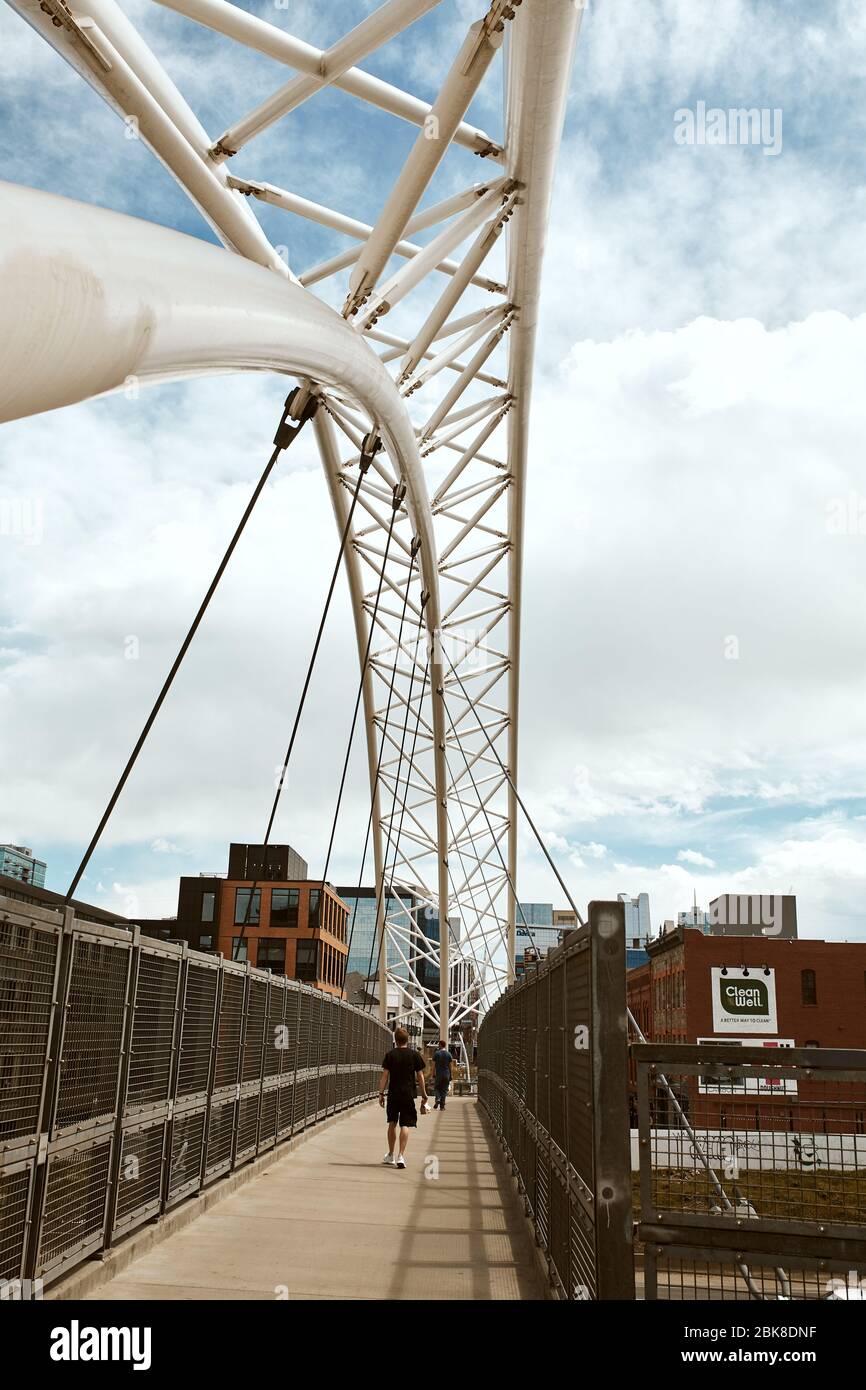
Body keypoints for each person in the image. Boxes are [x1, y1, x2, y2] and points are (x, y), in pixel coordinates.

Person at [379, 1026, 428, 1168]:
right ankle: (401, 1156)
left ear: (395, 1039)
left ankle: (390, 1154)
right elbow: (420, 1076)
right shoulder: (414, 1055)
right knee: (405, 1124)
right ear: (408, 1039)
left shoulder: (390, 1055)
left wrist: (381, 1093)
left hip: (394, 1094)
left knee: (392, 1123)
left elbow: (385, 1076)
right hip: (408, 1094)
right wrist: (424, 1094)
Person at [432, 1038, 452, 1111]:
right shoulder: (448, 1054)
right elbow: (450, 1066)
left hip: (439, 1074)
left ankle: (438, 1098)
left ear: (440, 1045)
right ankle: (442, 1107)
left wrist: (433, 1073)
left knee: (437, 1088)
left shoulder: (436, 1054)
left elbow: (433, 1065)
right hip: (446, 1074)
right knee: (444, 1090)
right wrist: (451, 1075)